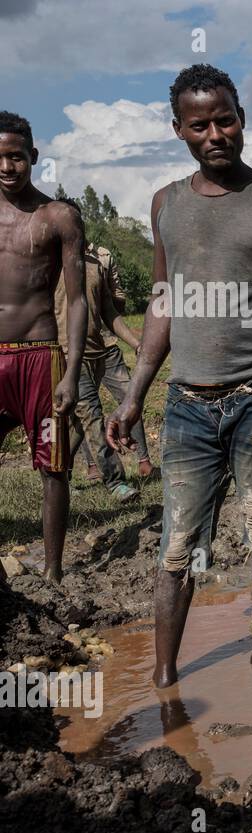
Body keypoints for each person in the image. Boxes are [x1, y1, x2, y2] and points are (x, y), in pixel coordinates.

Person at [106, 64, 252, 688]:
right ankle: (166, 678)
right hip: (187, 405)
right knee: (176, 550)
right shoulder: (166, 206)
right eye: (199, 124)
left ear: (242, 118)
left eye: (225, 119)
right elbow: (162, 302)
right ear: (178, 130)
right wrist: (134, 397)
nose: (215, 134)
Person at [0, 111, 87, 584]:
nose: (8, 167)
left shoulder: (58, 217)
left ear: (33, 158)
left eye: (17, 157)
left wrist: (72, 371)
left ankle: (53, 572)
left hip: (40, 357)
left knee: (53, 464)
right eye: (0, 158)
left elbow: (76, 302)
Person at [54, 238, 145, 501]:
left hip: (97, 354)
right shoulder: (51, 265)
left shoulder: (94, 265)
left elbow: (109, 312)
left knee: (76, 425)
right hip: (68, 355)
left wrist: (136, 343)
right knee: (93, 416)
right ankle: (116, 482)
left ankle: (59, 476)